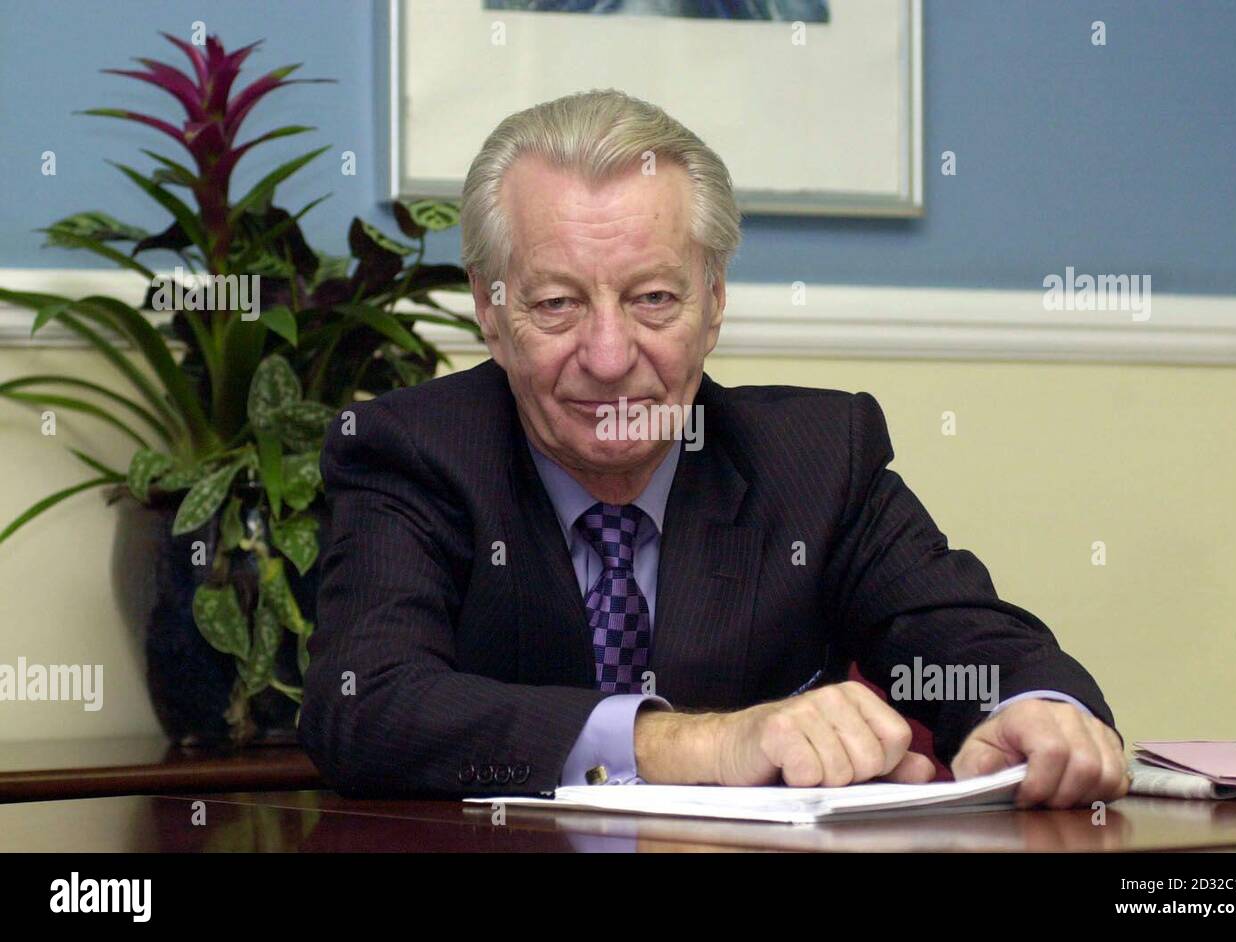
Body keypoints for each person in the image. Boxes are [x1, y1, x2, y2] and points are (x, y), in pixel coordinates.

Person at [299, 89, 1128, 809]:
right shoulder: (413, 452)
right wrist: (695, 746)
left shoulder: (813, 460)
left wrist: (1033, 711)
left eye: (654, 298)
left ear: (715, 301)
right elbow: (366, 707)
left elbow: (969, 643)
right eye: (556, 304)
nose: (610, 356)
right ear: (490, 307)